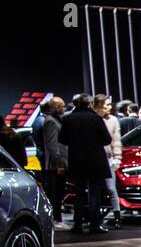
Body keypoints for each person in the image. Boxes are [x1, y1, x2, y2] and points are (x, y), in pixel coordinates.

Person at [59, 93, 111, 234]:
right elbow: (107, 139)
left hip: (76, 160)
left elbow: (62, 139)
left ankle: (77, 224)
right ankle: (94, 225)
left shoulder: (68, 119)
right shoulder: (96, 119)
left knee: (79, 193)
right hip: (95, 161)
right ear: (89, 104)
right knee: (94, 193)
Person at [94, 94, 123, 226]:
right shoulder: (93, 119)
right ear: (99, 106)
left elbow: (116, 141)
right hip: (94, 159)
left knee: (111, 189)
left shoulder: (113, 120)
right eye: (107, 105)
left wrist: (117, 158)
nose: (110, 107)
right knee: (95, 190)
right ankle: (96, 217)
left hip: (109, 160)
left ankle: (117, 216)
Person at [43, 97, 69, 228]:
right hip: (55, 165)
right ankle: (55, 220)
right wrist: (59, 164)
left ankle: (57, 219)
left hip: (59, 163)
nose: (64, 108)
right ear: (56, 107)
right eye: (62, 106)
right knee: (55, 194)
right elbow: (52, 145)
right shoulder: (51, 121)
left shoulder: (57, 120)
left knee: (59, 193)